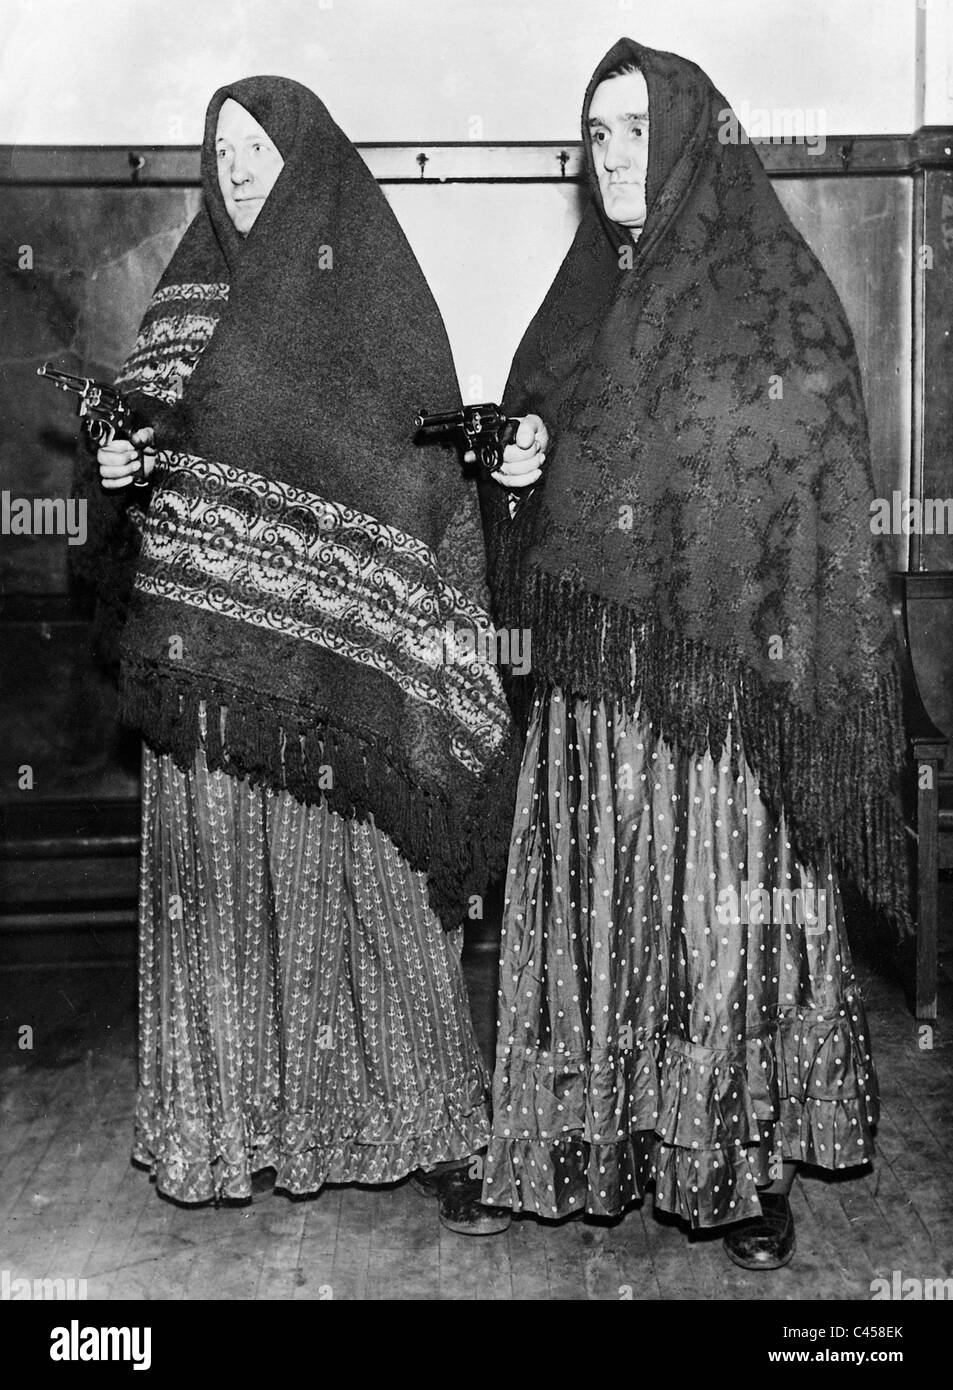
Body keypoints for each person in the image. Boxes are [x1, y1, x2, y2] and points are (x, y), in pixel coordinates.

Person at [477, 39, 911, 1268]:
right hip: (595, 702)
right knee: (598, 914)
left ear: (688, 140)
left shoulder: (774, 292)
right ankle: (586, 1140)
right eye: (596, 135)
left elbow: (811, 455)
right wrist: (520, 469)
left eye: (633, 130)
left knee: (717, 929)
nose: (613, 156)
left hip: (724, 705)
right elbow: (539, 451)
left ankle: (736, 1160)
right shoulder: (579, 297)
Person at [81, 75, 535, 1234]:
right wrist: (123, 476)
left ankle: (427, 1126)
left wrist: (350, 585)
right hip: (212, 687)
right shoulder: (184, 304)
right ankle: (228, 1128)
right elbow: (138, 440)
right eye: (219, 149)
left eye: (257, 148)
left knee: (372, 890)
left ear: (306, 161)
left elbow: (420, 475)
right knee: (219, 899)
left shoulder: (369, 295)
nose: (235, 169)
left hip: (343, 688)